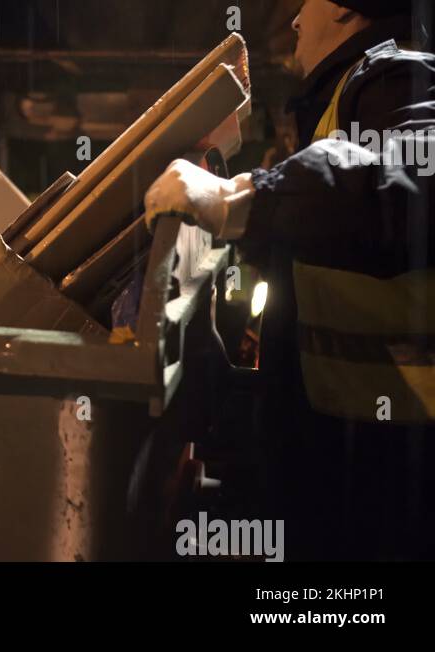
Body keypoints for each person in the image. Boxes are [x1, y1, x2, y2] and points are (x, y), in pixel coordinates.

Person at [144, 0, 435, 559]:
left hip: (391, 466)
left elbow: (405, 179)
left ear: (351, 13)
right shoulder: (348, 92)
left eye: (308, 3)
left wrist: (248, 198)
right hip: (348, 442)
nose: (296, 20)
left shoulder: (399, 75)